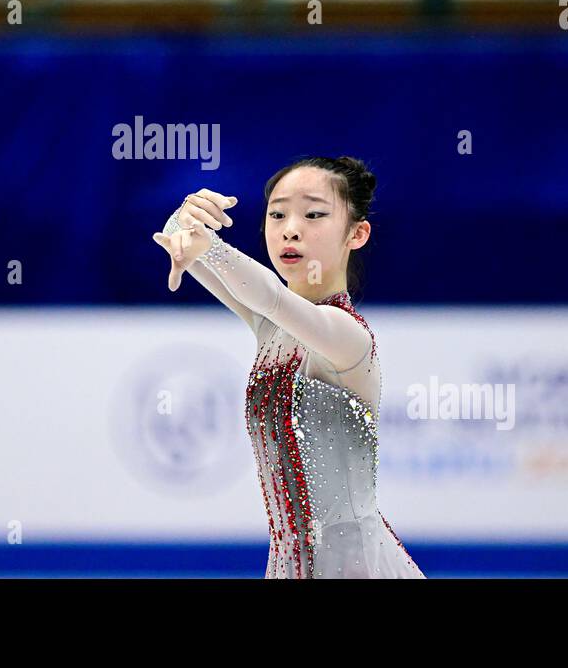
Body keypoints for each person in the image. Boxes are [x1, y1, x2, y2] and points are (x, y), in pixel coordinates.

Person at [152, 156, 425, 579]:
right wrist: (184, 218)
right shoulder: (272, 331)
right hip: (289, 566)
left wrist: (213, 246)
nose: (290, 228)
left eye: (314, 214)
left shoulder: (348, 337)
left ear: (358, 233)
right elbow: (185, 242)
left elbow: (270, 297)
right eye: (277, 214)